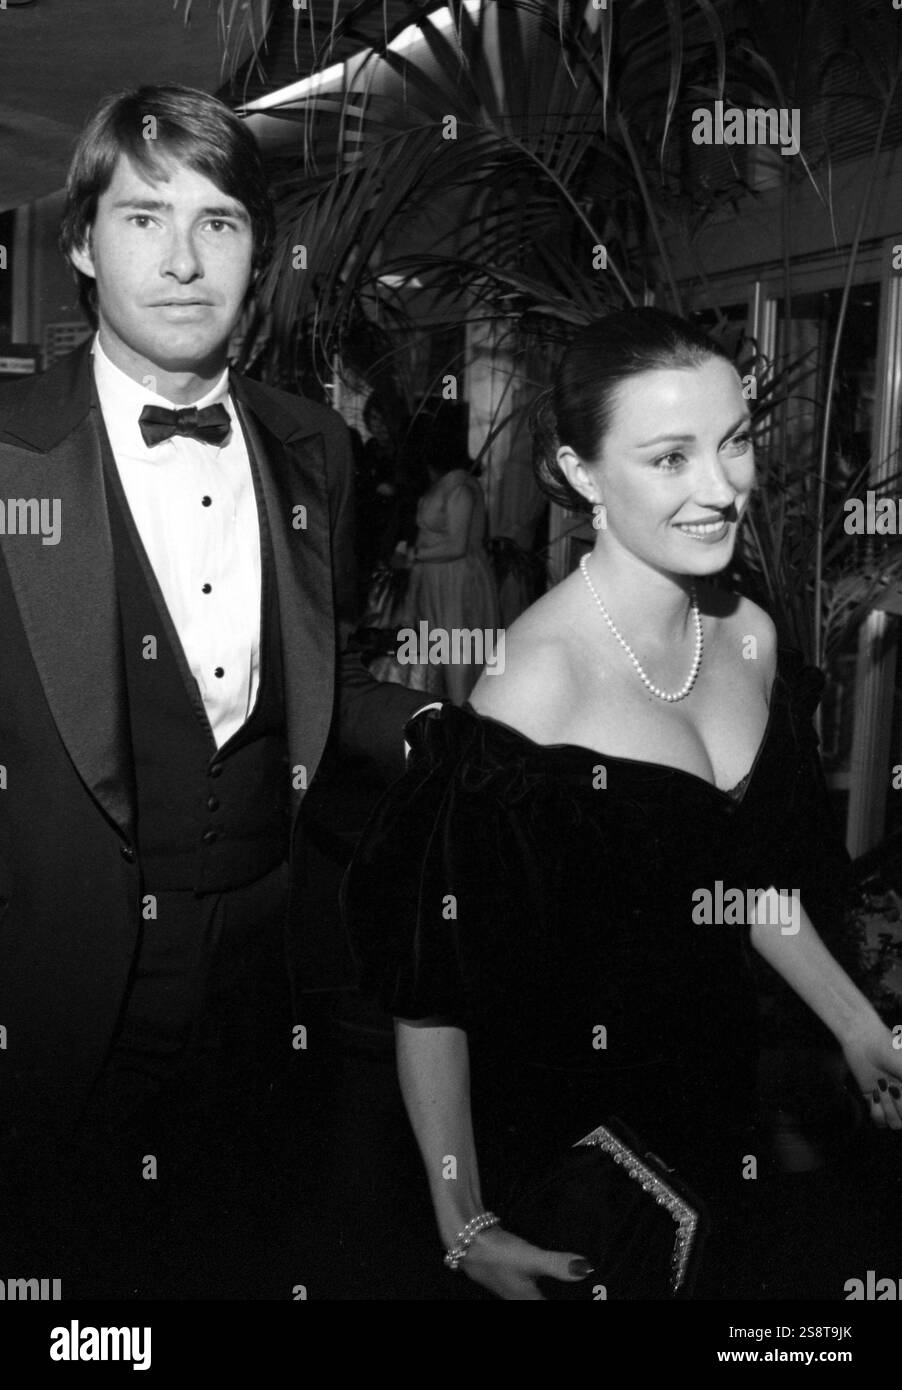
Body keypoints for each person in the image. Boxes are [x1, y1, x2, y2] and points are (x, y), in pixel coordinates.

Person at [345, 307, 902, 1300]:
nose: (720, 486)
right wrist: (462, 1217)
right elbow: (431, 989)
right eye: (668, 457)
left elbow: (740, 879)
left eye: (732, 443)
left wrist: (854, 1024)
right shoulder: (535, 686)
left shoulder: (746, 634)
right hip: (580, 1164)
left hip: (717, 1116)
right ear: (581, 473)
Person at [0, 84, 426, 1298]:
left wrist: (452, 727)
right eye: (143, 218)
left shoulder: (315, 447)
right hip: (48, 990)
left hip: (269, 976)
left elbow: (315, 682)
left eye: (220, 222)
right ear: (82, 243)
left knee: (234, 1256)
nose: (184, 260)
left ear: (259, 248)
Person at [397, 428, 501, 703]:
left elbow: (457, 545)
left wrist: (416, 554)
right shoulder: (445, 483)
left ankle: (463, 717)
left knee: (459, 655)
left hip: (456, 583)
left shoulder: (460, 488)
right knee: (434, 655)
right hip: (436, 582)